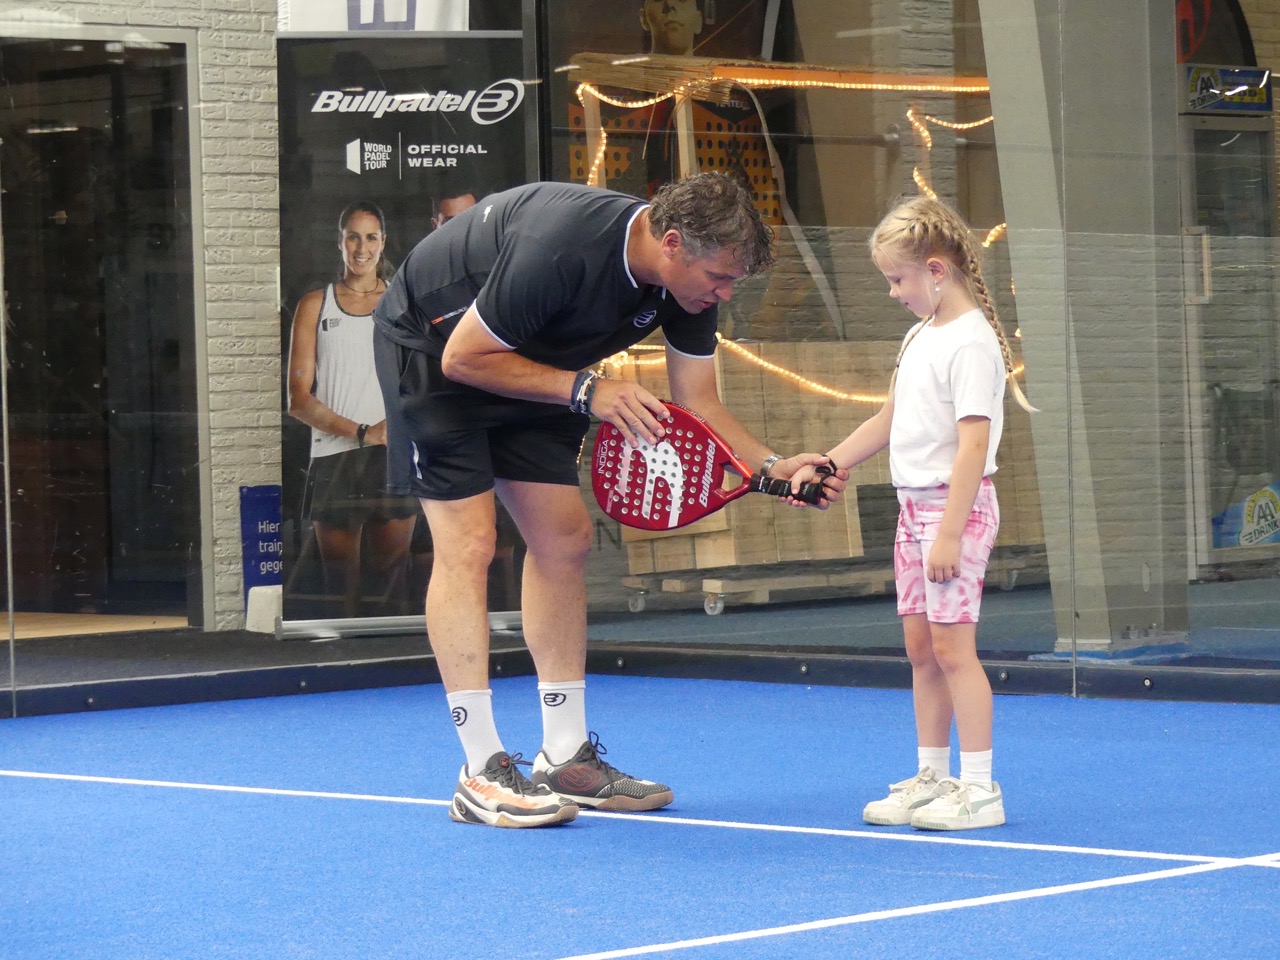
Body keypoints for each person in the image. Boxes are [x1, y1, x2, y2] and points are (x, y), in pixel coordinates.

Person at [372, 172, 846, 828]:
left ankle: (565, 756)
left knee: (565, 539)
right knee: (472, 542)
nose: (726, 293)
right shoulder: (560, 248)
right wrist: (587, 392)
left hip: (540, 368)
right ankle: (480, 770)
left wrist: (771, 469)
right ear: (673, 244)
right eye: (722, 277)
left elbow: (698, 403)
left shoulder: (691, 283)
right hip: (437, 354)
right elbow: (464, 358)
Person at [788, 195, 1036, 832]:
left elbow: (974, 445)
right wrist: (826, 462)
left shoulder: (974, 343)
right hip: (911, 511)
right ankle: (932, 777)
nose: (894, 292)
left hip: (955, 514)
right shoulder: (918, 335)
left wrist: (949, 532)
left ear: (935, 269)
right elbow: (889, 419)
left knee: (956, 652)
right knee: (922, 651)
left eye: (897, 279)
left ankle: (979, 788)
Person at [287, 201, 419, 618]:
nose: (362, 248)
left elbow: (424, 380)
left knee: (390, 578)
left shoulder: (402, 303)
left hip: (391, 456)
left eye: (372, 237)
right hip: (335, 457)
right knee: (340, 586)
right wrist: (363, 431)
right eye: (353, 236)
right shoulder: (314, 304)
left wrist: (395, 429)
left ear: (384, 244)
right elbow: (298, 399)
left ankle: (393, 675)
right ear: (339, 241)